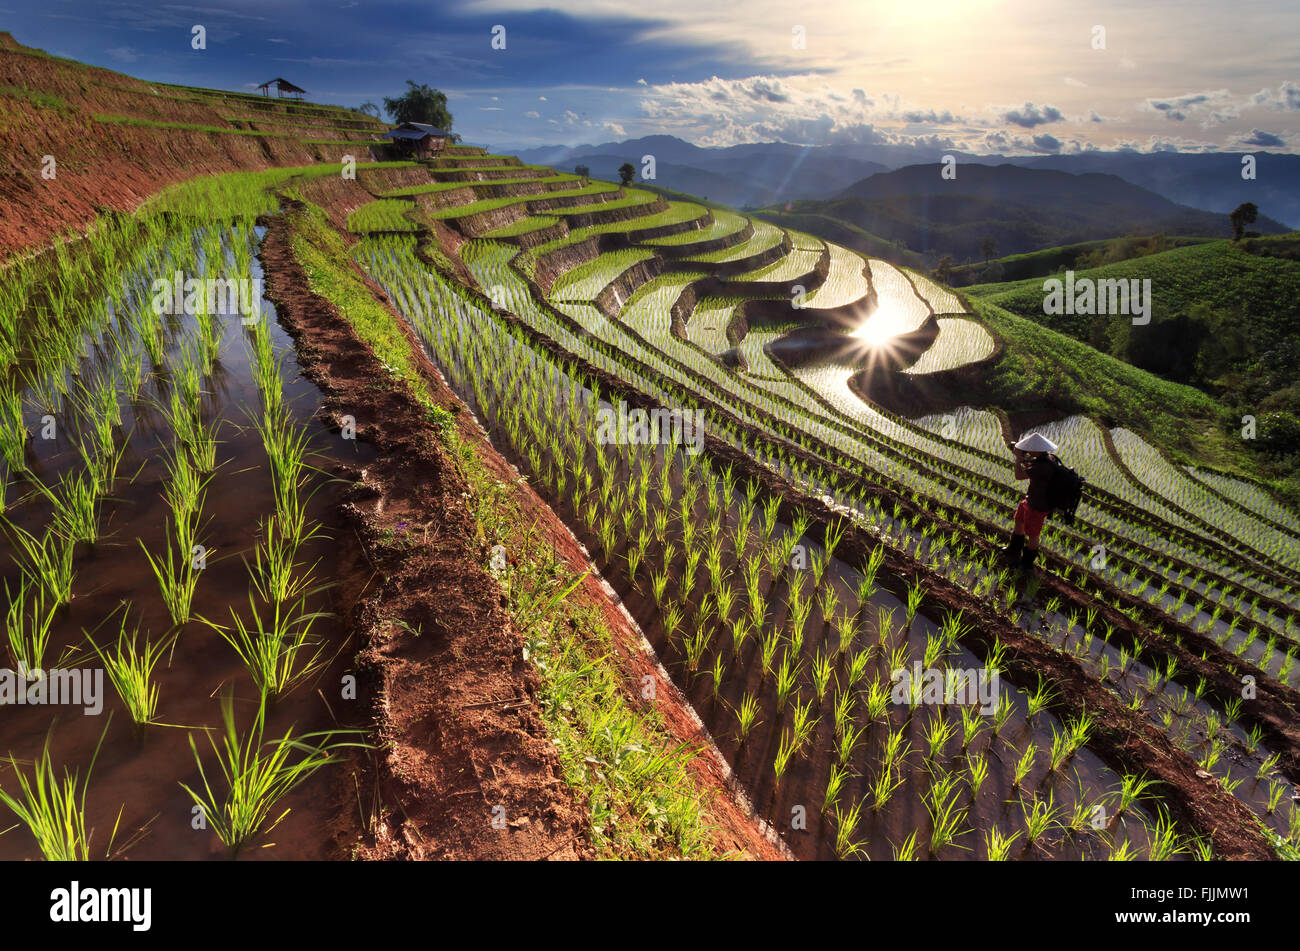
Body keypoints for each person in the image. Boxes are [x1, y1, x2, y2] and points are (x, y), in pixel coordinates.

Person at [1001, 432, 1059, 570]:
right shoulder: (1047, 458)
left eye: (1029, 448)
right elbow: (1030, 467)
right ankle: (1013, 549)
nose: (1027, 450)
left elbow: (1018, 475)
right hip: (1030, 500)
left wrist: (1017, 459)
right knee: (1019, 520)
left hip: (1038, 505)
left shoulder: (1043, 466)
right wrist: (1022, 459)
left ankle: (1026, 563)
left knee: (1033, 534)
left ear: (1036, 450)